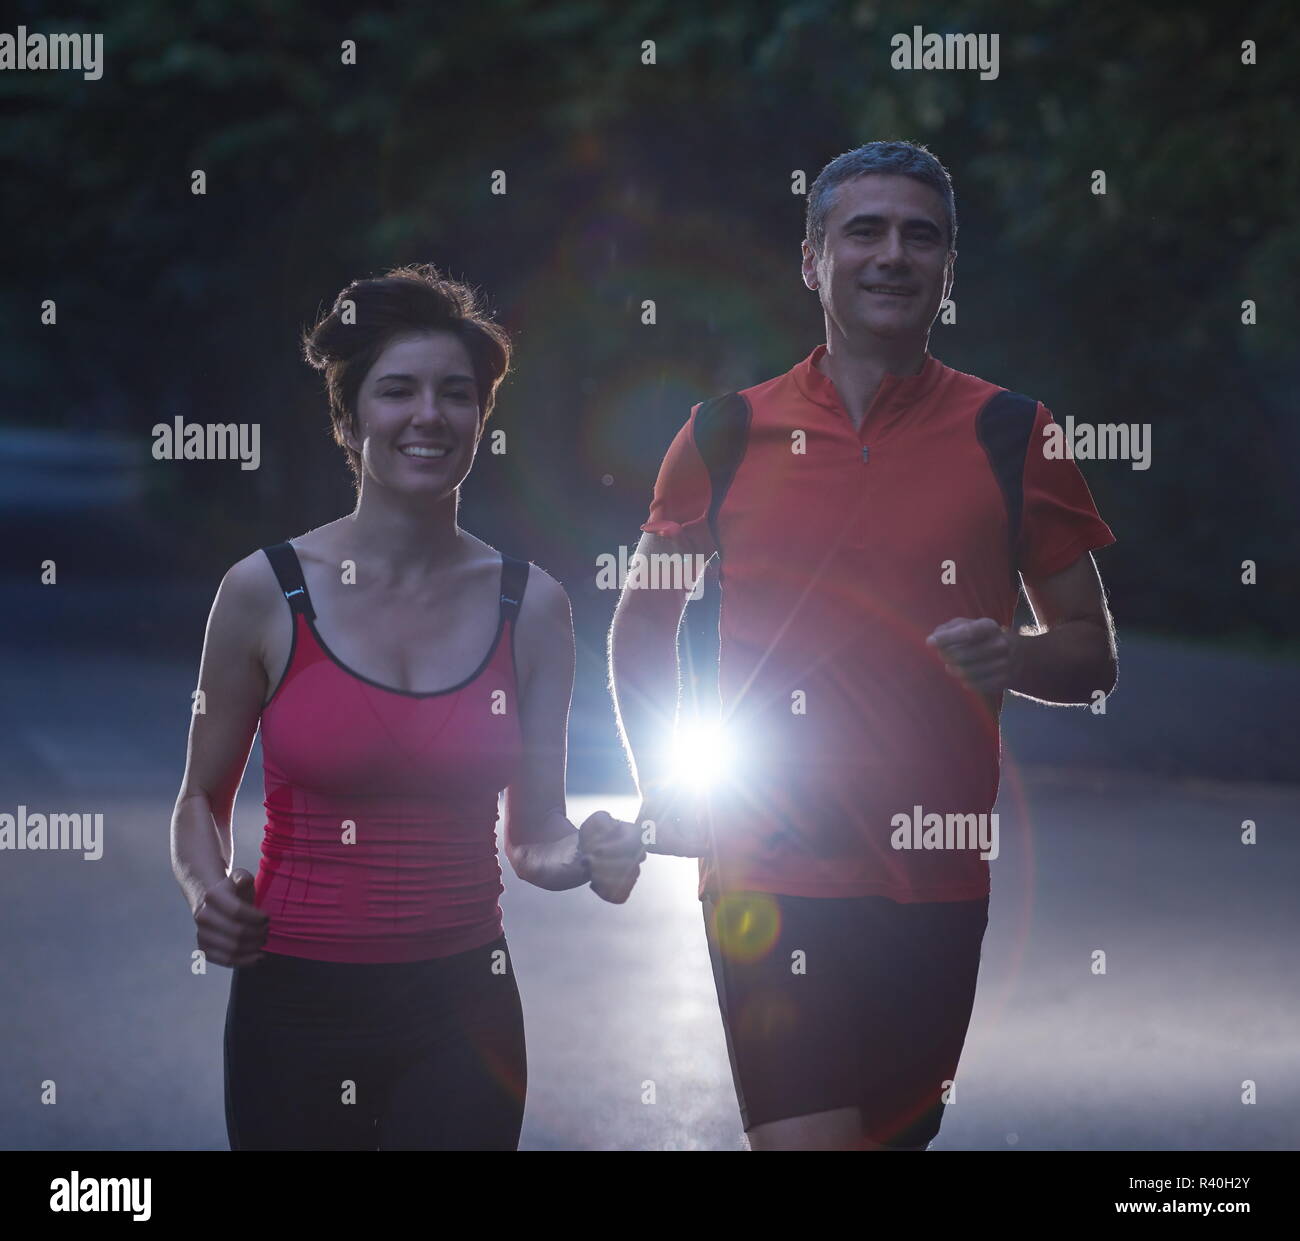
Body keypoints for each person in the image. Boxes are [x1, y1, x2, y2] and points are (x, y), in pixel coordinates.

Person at [609, 141, 1118, 1151]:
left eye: (919, 236)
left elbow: (1091, 651)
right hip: (765, 867)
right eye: (865, 231)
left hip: (935, 877)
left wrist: (1013, 656)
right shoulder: (721, 433)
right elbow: (640, 630)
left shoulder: (1014, 434)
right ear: (813, 259)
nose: (892, 254)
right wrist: (662, 788)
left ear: (946, 270)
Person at [170, 263, 645, 1150]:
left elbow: (533, 836)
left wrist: (589, 852)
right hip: (293, 1006)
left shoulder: (531, 605)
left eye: (455, 395)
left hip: (464, 1010)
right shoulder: (263, 592)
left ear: (479, 420)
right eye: (398, 391)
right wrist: (208, 889)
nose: (429, 415)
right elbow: (198, 799)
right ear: (350, 419)